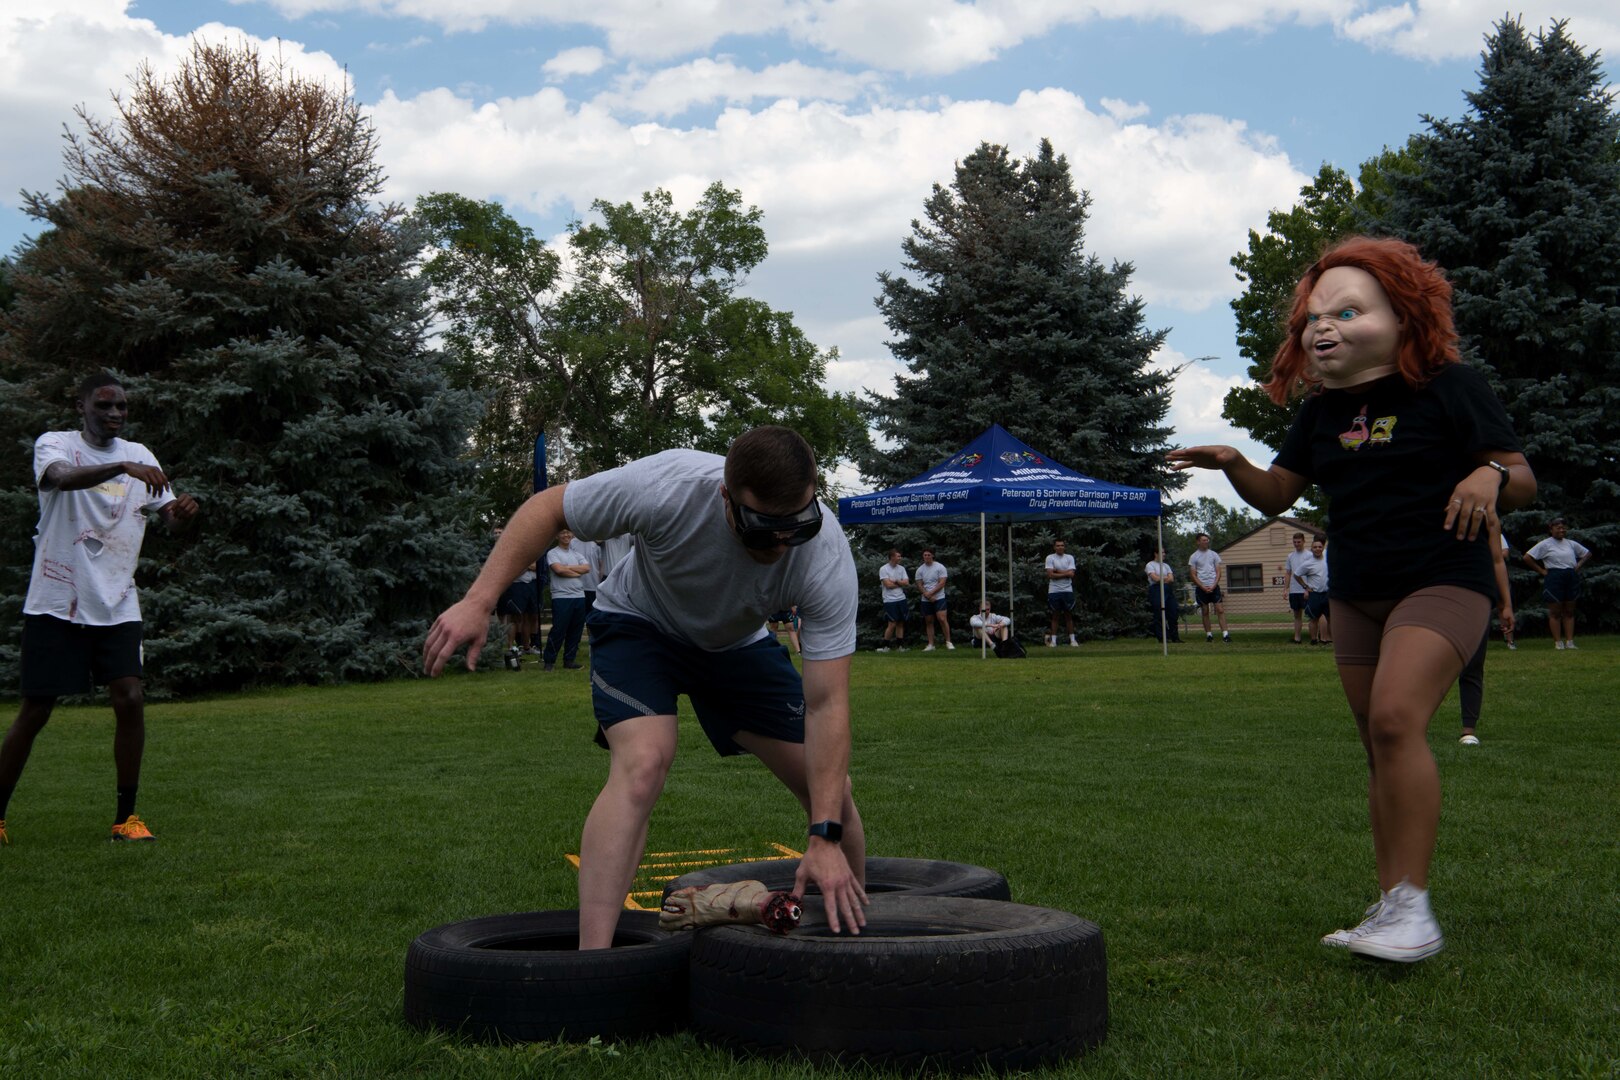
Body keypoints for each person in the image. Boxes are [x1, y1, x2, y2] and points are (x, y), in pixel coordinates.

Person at [1170, 235, 1534, 963]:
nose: (1321, 327)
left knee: (1398, 720)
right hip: (1357, 594)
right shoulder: (1321, 412)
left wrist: (1489, 473)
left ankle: (1414, 910)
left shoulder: (1448, 386)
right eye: (1311, 318)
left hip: (1441, 580)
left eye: (1347, 310)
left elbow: (1521, 476)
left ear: (1403, 316)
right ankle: (1393, 901)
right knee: (1378, 744)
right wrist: (1236, 463)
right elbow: (1280, 493)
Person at [423, 425, 867, 947]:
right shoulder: (668, 485)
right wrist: (479, 600)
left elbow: (828, 703)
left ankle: (853, 944)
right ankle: (595, 965)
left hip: (735, 646)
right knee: (644, 763)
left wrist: (823, 836)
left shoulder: (826, 556)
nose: (779, 543)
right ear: (725, 496)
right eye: (760, 527)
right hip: (640, 625)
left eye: (796, 526)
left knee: (833, 795)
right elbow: (549, 508)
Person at [0, 373, 200, 846]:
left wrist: (185, 515)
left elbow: (169, 519)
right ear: (81, 405)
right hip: (56, 598)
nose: (115, 414)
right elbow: (59, 480)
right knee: (36, 710)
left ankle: (125, 820)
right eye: (104, 405)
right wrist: (119, 469)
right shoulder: (58, 445)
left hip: (117, 600)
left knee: (129, 699)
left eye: (122, 407)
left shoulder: (141, 455)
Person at [1459, 515, 1514, 746]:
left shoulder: (1487, 516)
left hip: (1476, 596)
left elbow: (1497, 561)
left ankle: (1468, 729)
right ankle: (1412, 725)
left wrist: (1506, 604)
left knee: (1473, 664)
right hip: (1436, 595)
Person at [1523, 518, 1592, 650]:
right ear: (1551, 530)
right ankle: (1558, 642)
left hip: (1570, 576)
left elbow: (1587, 553)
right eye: (1558, 528)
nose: (1562, 530)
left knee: (1569, 610)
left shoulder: (1570, 543)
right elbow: (1527, 557)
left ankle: (1570, 642)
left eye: (1563, 528)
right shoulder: (1545, 544)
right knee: (1555, 611)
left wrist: (1578, 565)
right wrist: (1542, 571)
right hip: (1554, 577)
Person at [542, 529, 592, 671]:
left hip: (579, 597)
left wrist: (567, 567)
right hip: (561, 597)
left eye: (568, 533)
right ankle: (549, 661)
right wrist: (576, 572)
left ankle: (569, 661)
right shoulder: (553, 553)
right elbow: (559, 570)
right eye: (562, 533)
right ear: (557, 535)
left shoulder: (576, 554)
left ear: (572, 535)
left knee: (575, 631)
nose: (566, 535)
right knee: (558, 630)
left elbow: (587, 568)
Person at [492, 527, 540, 657]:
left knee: (529, 617)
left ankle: (526, 647)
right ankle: (511, 647)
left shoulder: (531, 548)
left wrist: (527, 565)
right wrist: (526, 566)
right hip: (516, 586)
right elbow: (513, 568)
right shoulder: (511, 548)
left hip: (531, 585)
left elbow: (538, 567)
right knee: (515, 618)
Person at [1188, 533, 1230, 643]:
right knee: (1205, 611)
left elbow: (1218, 571)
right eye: (1204, 540)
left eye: (1207, 540)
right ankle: (1209, 635)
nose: (1206, 542)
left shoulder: (1214, 555)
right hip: (1201, 588)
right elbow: (1193, 574)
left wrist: (1214, 585)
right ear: (1198, 542)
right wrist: (1202, 586)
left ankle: (1225, 635)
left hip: (1214, 586)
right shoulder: (1194, 557)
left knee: (1220, 610)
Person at [914, 548, 953, 651]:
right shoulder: (920, 570)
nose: (926, 557)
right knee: (929, 621)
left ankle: (948, 642)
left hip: (939, 597)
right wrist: (927, 595)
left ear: (933, 556)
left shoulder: (940, 567)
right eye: (925, 555)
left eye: (928, 555)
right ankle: (931, 644)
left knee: (942, 619)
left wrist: (931, 594)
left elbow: (942, 583)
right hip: (926, 599)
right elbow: (919, 584)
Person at [1294, 538, 1331, 645]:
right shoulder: (1308, 563)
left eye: (1320, 547)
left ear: (1323, 548)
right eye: (1315, 547)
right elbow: (1296, 575)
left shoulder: (1327, 558)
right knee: (1313, 618)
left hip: (1327, 594)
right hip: (1314, 594)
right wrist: (1305, 586)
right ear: (1311, 549)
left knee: (1330, 618)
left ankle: (1328, 639)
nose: (1317, 549)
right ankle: (1314, 640)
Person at [1044, 539, 1079, 646]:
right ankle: (1053, 641)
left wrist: (1057, 571)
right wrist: (1066, 573)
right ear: (1054, 547)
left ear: (1064, 547)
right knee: (1055, 615)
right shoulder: (1050, 557)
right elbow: (1050, 575)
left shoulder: (1069, 558)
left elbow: (1072, 574)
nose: (1060, 547)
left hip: (1067, 590)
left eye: (1062, 545)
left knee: (1068, 615)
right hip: (1054, 591)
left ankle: (1073, 640)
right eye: (1058, 545)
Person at [876, 550, 909, 652]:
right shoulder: (884, 569)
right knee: (892, 623)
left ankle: (900, 646)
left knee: (900, 623)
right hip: (889, 600)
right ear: (892, 557)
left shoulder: (902, 568)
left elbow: (906, 583)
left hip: (901, 598)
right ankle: (886, 646)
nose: (900, 558)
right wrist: (900, 583)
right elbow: (888, 585)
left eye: (900, 556)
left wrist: (897, 581)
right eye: (898, 556)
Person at [1145, 550, 1181, 642]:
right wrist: (1165, 578)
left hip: (1167, 590)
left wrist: (1162, 578)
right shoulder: (1150, 565)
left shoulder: (1166, 566)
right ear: (1156, 553)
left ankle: (1175, 637)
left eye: (1164, 552)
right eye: (1162, 552)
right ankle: (1162, 637)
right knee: (1159, 614)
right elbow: (1155, 579)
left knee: (1173, 612)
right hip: (1156, 590)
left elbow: (1171, 579)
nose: (1164, 554)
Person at [1285, 532, 1313, 643]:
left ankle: (1314, 638)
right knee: (1297, 615)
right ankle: (1297, 638)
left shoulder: (1309, 555)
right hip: (1294, 590)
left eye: (1299, 542)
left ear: (1303, 541)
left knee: (1312, 615)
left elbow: (1312, 573)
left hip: (1307, 589)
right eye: (1295, 542)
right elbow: (1288, 573)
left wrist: (1308, 588)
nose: (1297, 544)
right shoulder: (1290, 556)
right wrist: (1285, 589)